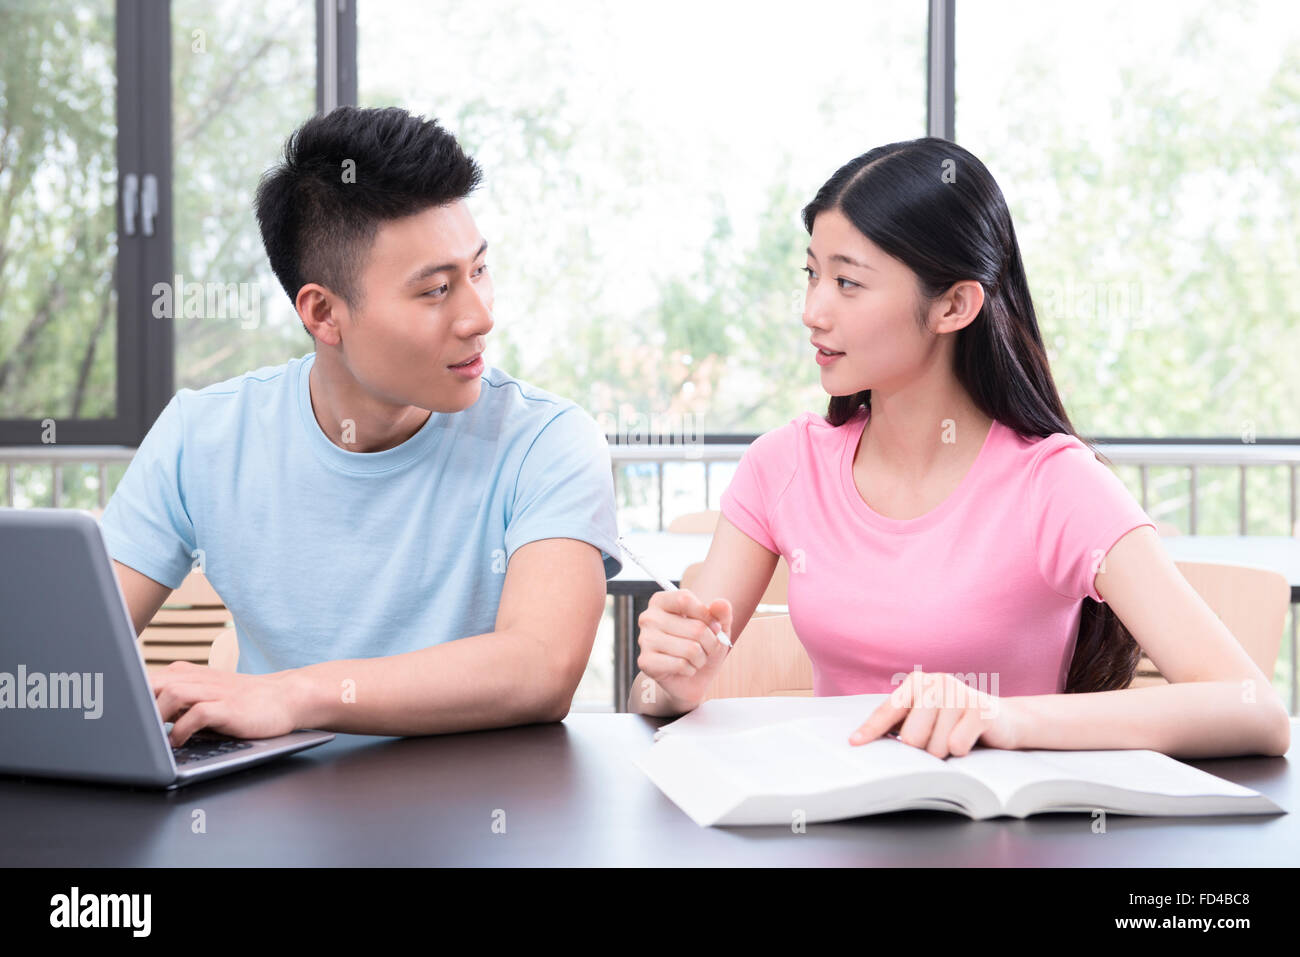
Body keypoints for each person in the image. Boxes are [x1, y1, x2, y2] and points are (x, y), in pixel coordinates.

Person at [629, 137, 1290, 760]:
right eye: (811, 275)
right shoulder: (782, 465)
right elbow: (654, 700)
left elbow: (1254, 709)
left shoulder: (1055, 484)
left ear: (953, 306)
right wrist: (673, 678)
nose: (813, 310)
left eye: (848, 282)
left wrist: (1003, 717)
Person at [103, 106, 621, 747]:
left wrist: (291, 693)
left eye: (479, 271)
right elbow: (70, 654)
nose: (479, 316)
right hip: (273, 818)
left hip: (481, 825)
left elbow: (540, 668)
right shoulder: (201, 437)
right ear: (323, 313)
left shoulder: (549, 441)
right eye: (435, 290)